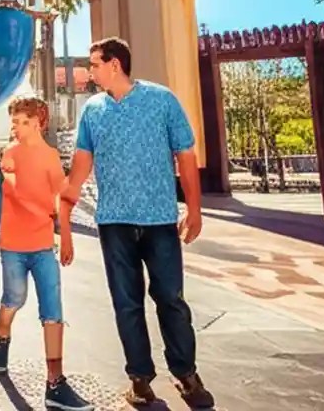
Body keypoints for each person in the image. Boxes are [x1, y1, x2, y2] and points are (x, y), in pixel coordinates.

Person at [60, 37, 215, 409]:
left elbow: (186, 156)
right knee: (126, 303)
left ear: (115, 64)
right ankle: (140, 379)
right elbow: (82, 164)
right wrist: (63, 199)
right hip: (113, 222)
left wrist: (194, 209)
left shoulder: (162, 100)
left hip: (160, 219)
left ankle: (187, 374)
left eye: (95, 64)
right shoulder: (93, 111)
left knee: (171, 299)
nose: (91, 70)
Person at [0, 96, 92, 411]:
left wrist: (68, 236)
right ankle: (1, 338)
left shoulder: (49, 157)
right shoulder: (9, 155)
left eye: (22, 122)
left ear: (38, 123)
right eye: (14, 122)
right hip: (14, 246)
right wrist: (46, 210)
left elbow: (59, 197)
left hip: (44, 246)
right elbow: (18, 192)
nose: (17, 128)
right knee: (14, 300)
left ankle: (54, 383)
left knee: (53, 311)